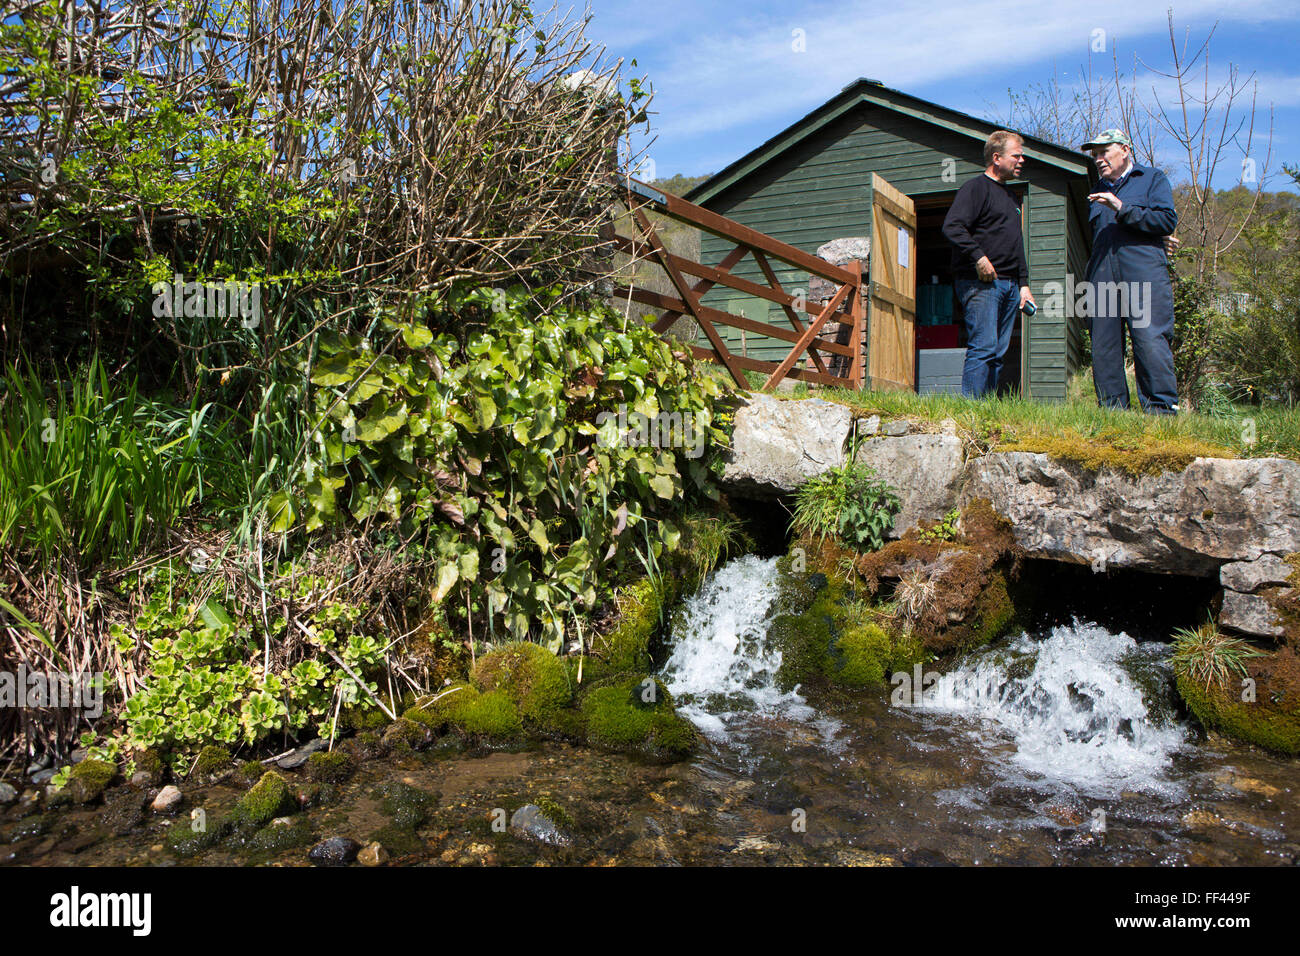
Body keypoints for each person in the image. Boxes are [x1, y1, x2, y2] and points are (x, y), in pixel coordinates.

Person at [1080, 129, 1179, 413]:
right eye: (1095, 154)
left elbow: (1166, 219)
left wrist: (1121, 207)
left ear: (1124, 149)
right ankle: (1114, 414)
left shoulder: (1151, 179)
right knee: (1104, 346)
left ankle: (1161, 411)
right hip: (1101, 277)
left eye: (1104, 151)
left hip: (1144, 274)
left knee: (1150, 339)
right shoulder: (1095, 189)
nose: (1098, 159)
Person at [942, 130, 1035, 398]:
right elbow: (953, 226)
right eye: (1016, 155)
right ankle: (971, 409)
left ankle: (987, 408)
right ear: (997, 157)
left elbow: (1017, 244)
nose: (1021, 160)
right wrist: (979, 257)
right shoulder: (975, 188)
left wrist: (1024, 284)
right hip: (980, 284)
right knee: (983, 347)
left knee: (997, 353)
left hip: (1009, 286)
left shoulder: (1011, 198)